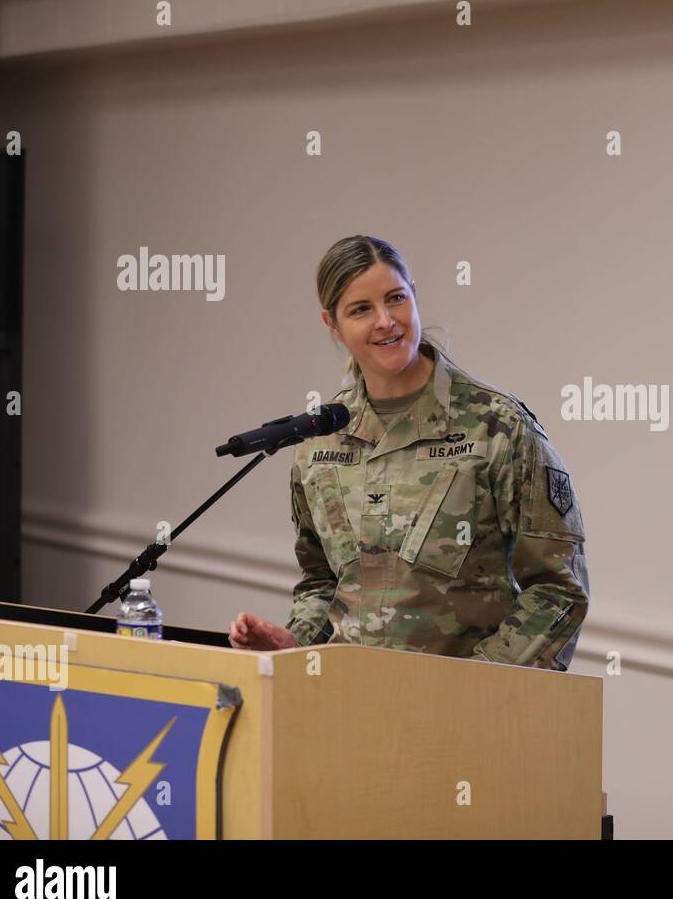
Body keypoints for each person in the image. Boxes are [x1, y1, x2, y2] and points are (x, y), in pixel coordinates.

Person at [228, 235, 589, 671]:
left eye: (395, 299)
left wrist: (477, 686)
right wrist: (295, 643)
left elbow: (557, 592)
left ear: (414, 296)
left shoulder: (497, 426)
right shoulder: (319, 442)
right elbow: (322, 583)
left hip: (466, 716)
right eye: (361, 309)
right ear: (332, 323)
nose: (385, 321)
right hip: (347, 705)